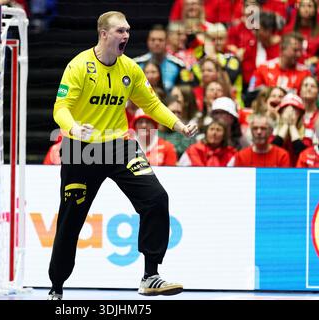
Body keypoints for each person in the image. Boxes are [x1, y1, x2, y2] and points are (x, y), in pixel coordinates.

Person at [48, 11, 197, 300]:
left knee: (156, 198)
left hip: (119, 145)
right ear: (103, 34)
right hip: (81, 149)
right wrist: (74, 128)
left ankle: (150, 275)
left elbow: (152, 104)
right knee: (71, 220)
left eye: (127, 30)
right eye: (119, 31)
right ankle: (57, 286)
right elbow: (60, 108)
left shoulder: (130, 68)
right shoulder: (78, 66)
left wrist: (177, 125)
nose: (126, 36)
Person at [133, 24, 195, 94]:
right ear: (148, 41)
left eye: (160, 40)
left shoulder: (179, 65)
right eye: (153, 40)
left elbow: (187, 89)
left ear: (167, 42)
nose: (156, 43)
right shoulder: (136, 64)